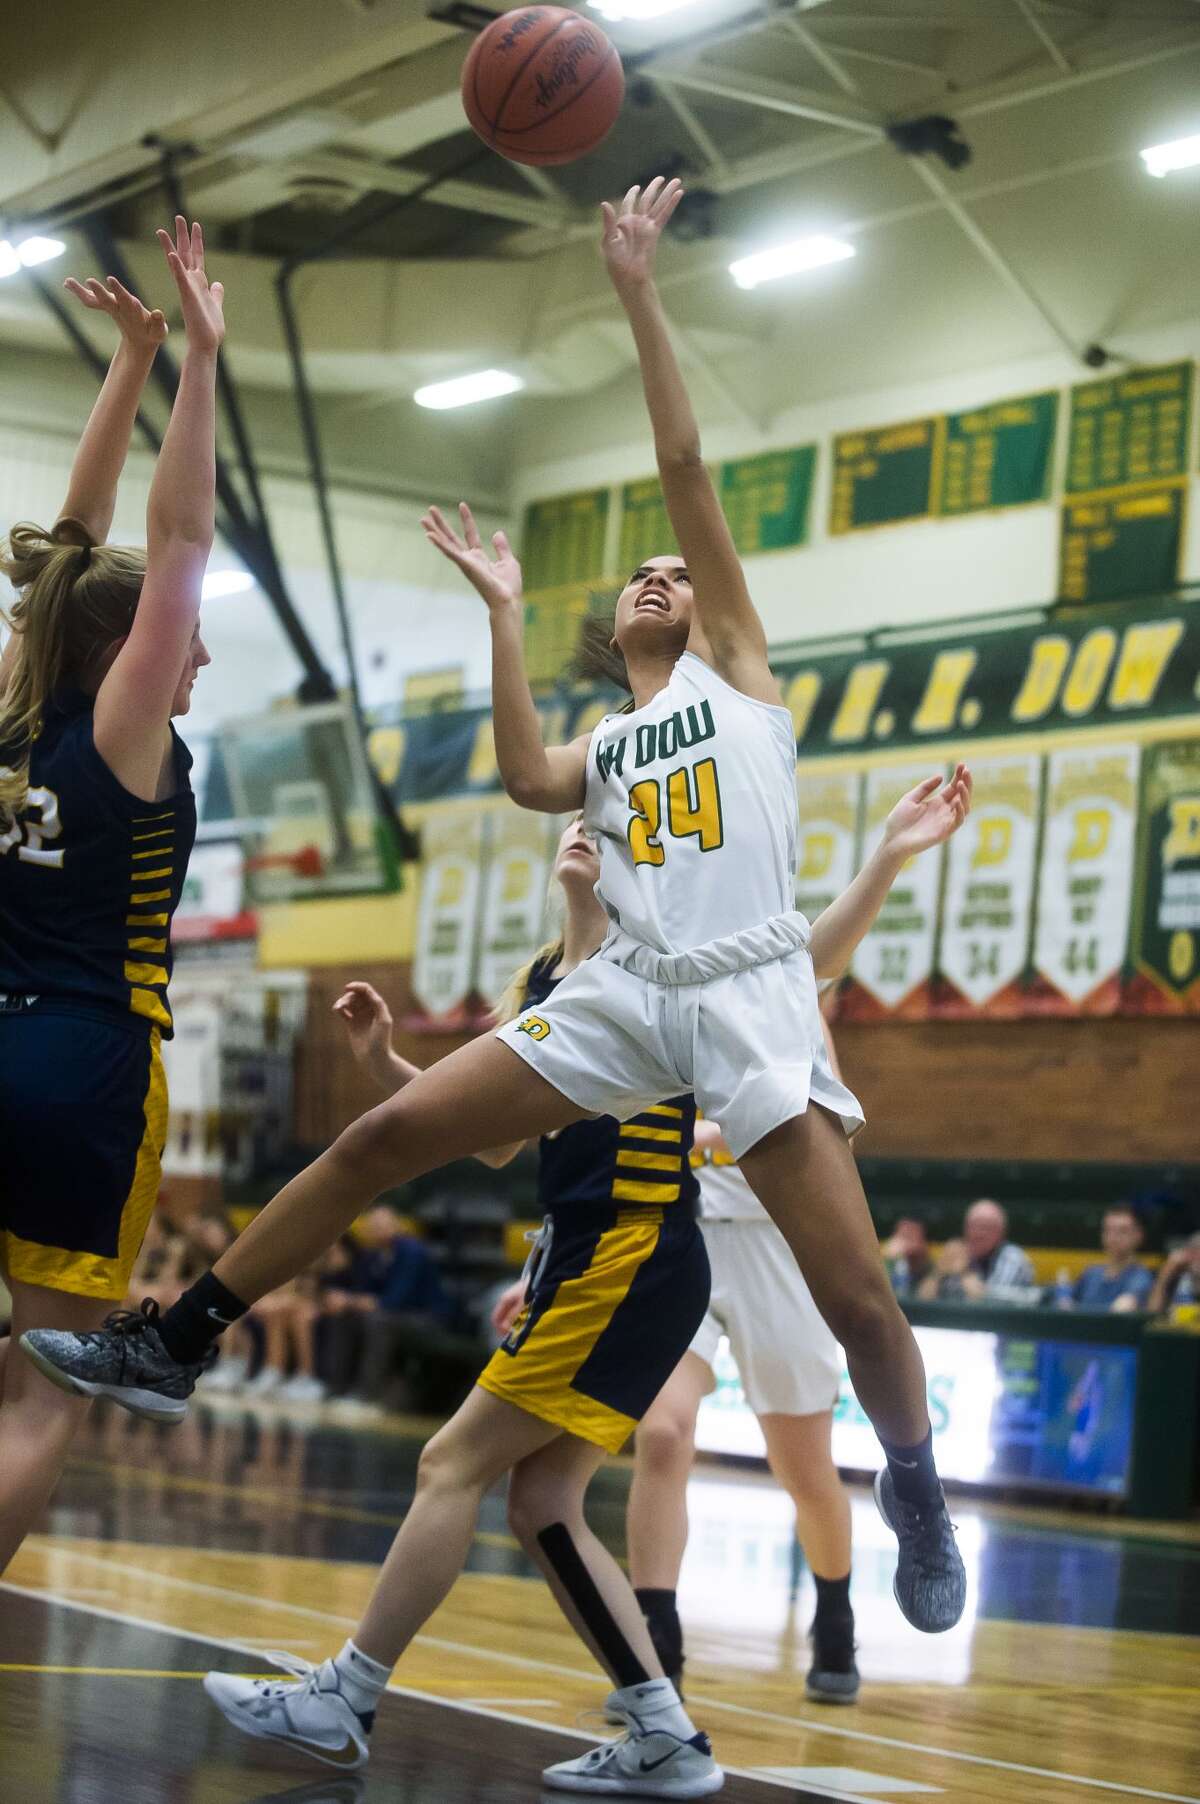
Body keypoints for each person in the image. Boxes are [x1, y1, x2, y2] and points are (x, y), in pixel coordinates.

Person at [25, 178, 971, 1771]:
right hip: (633, 988)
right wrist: (507, 616)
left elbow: (681, 462)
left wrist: (638, 289)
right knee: (380, 1136)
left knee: (859, 1297)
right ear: (616, 632)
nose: (666, 574)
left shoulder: (741, 679)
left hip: (744, 990)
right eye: (644, 582)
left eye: (678, 572)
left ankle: (919, 1490)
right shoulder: (607, 738)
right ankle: (179, 1339)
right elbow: (529, 772)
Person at [0, 218, 220, 1576]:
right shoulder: (121, 734)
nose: (199, 650)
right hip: (84, 1067)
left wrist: (128, 361)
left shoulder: (19, 718)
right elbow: (171, 534)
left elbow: (66, 554)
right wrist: (198, 351)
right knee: (40, 1393)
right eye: (181, 634)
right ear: (131, 645)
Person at [919, 1200, 1035, 1304]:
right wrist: (939, 1273)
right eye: (973, 1226)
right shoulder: (958, 1253)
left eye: (986, 1227)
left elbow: (993, 1306)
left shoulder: (1013, 1258)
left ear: (1001, 1232)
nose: (978, 1233)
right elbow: (923, 1298)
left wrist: (964, 1272)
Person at [1071, 1207, 1154, 1313]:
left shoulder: (1141, 1278)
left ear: (1138, 1235)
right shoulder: (1091, 1274)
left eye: (1122, 1231)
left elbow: (1120, 1311)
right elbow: (1066, 1305)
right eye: (1107, 1230)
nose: (1113, 1237)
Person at [1148, 1232, 1200, 1318]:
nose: (1197, 1259)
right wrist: (1166, 1272)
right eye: (1194, 1252)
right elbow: (1152, 1313)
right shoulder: (1176, 1278)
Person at [884, 1219, 935, 1297]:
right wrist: (888, 1257)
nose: (904, 1242)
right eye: (903, 1235)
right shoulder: (889, 1261)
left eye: (910, 1236)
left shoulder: (929, 1267)